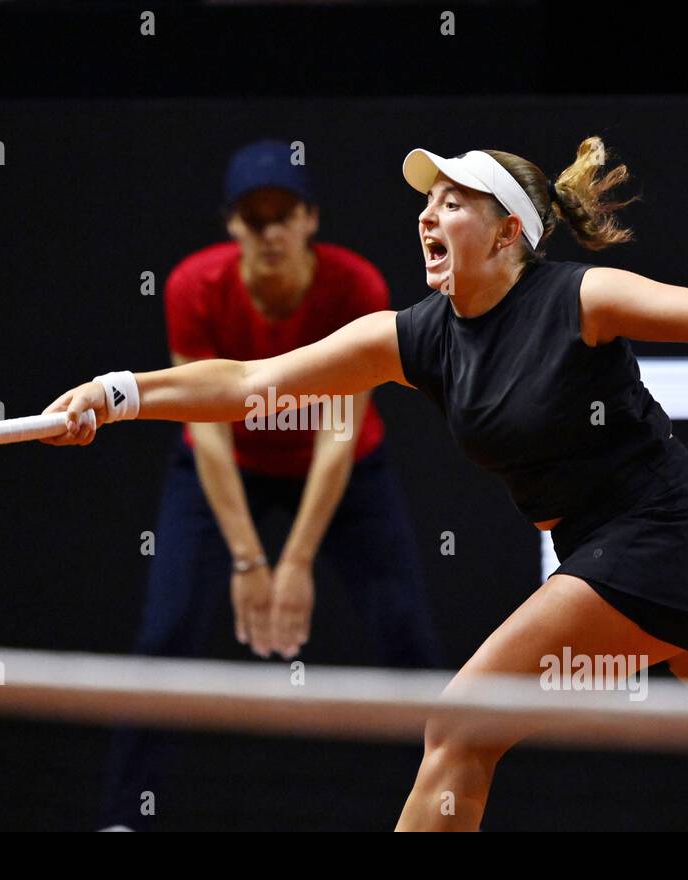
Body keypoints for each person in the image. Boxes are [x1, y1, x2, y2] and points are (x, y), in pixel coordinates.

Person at [46, 136, 688, 832]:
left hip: (661, 533)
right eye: (426, 204)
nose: (429, 217)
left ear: (510, 229)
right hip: (628, 550)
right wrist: (118, 394)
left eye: (453, 203)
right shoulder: (418, 334)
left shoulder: (577, 296)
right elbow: (248, 383)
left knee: (463, 722)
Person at [94, 139, 442, 830]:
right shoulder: (195, 286)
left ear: (312, 218)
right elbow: (211, 432)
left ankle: (446, 809)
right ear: (233, 225)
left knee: (409, 641)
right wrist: (252, 560)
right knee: (164, 637)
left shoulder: (357, 288)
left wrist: (299, 560)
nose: (271, 230)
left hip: (342, 470)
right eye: (255, 217)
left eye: (285, 213)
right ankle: (122, 817)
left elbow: (342, 429)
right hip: (226, 466)